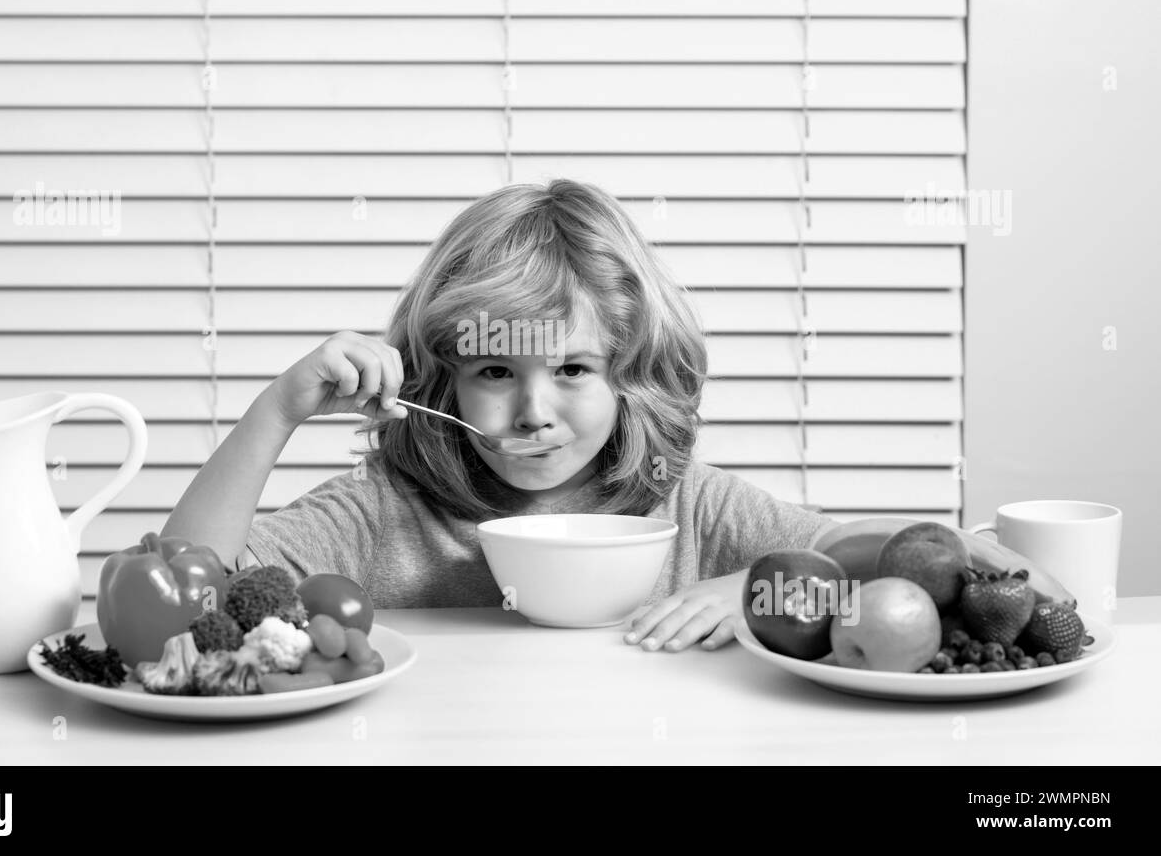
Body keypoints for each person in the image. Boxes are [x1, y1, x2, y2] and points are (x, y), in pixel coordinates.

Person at [163, 179, 838, 653]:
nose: (533, 413)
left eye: (572, 369)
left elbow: (905, 565)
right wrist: (276, 410)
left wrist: (759, 587)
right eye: (495, 371)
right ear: (443, 377)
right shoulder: (382, 510)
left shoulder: (687, 502)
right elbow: (185, 601)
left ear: (629, 373)